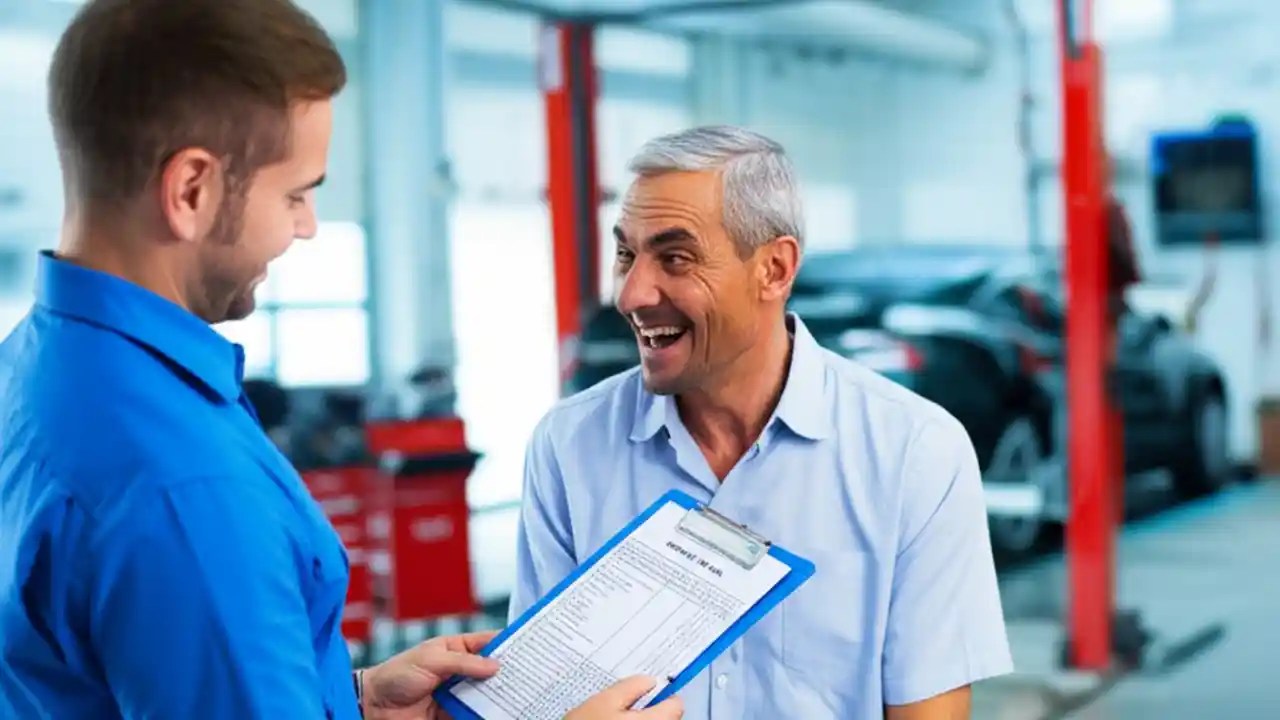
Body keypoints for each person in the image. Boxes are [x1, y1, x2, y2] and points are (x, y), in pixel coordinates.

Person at [0, 2, 682, 719]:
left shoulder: (34, 369)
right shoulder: (188, 487)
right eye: (295, 194)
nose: (306, 226)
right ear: (191, 189)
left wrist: (348, 699)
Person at [509, 125, 1014, 719]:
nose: (631, 294)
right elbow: (534, 701)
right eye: (626, 255)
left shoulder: (915, 453)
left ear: (774, 269)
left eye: (675, 258)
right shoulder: (569, 447)